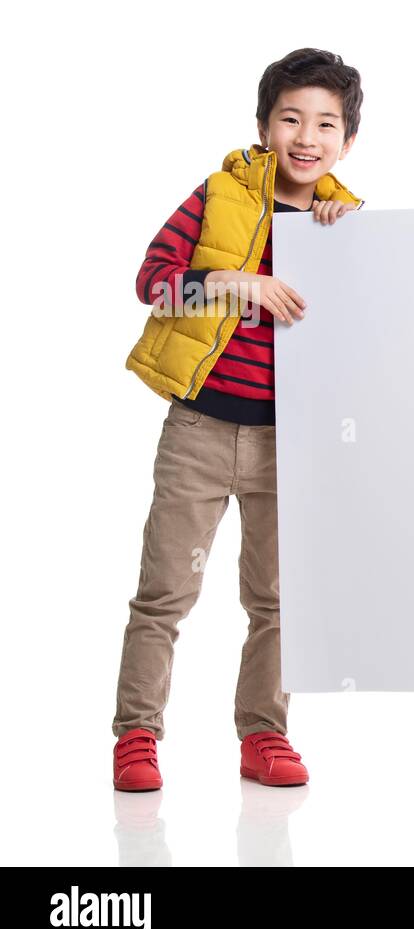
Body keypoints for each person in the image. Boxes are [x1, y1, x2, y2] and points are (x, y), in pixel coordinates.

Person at [112, 48, 365, 791]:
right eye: (291, 118)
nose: (307, 136)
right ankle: (137, 734)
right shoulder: (220, 194)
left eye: (326, 123)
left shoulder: (346, 226)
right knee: (163, 592)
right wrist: (229, 280)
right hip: (198, 431)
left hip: (293, 442)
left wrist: (345, 245)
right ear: (264, 126)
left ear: (347, 141)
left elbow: (369, 335)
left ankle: (265, 734)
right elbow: (152, 284)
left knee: (279, 599)